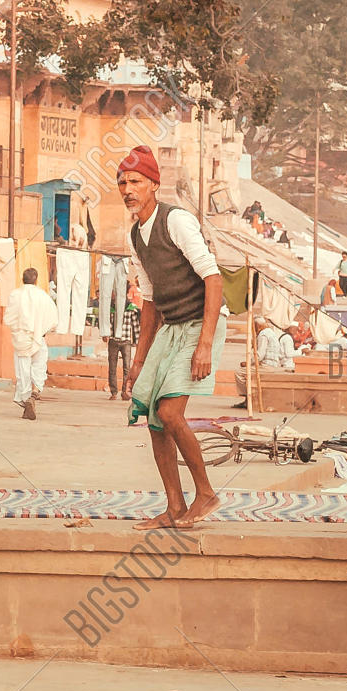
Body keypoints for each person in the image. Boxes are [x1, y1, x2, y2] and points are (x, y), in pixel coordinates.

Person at [118, 144, 228, 528]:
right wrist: (138, 361)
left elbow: (212, 278)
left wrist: (205, 345)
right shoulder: (133, 235)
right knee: (153, 418)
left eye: (135, 181)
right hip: (171, 326)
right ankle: (175, 507)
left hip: (201, 322)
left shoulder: (176, 221)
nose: (128, 188)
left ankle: (207, 494)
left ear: (153, 185)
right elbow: (149, 301)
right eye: (122, 182)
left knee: (169, 412)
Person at [4, 267, 58, 420]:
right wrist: (41, 328)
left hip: (21, 339)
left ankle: (27, 399)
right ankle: (34, 396)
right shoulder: (43, 296)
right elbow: (53, 319)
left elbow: (9, 318)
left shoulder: (15, 294)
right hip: (38, 339)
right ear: (36, 280)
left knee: (23, 373)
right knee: (39, 369)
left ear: (22, 279)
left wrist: (19, 329)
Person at [104, 276, 142, 402]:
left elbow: (135, 325)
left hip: (126, 341)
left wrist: (136, 341)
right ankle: (114, 391)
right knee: (112, 367)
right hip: (114, 340)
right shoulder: (112, 307)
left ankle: (125, 391)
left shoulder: (131, 308)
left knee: (127, 367)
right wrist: (105, 334)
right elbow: (108, 323)